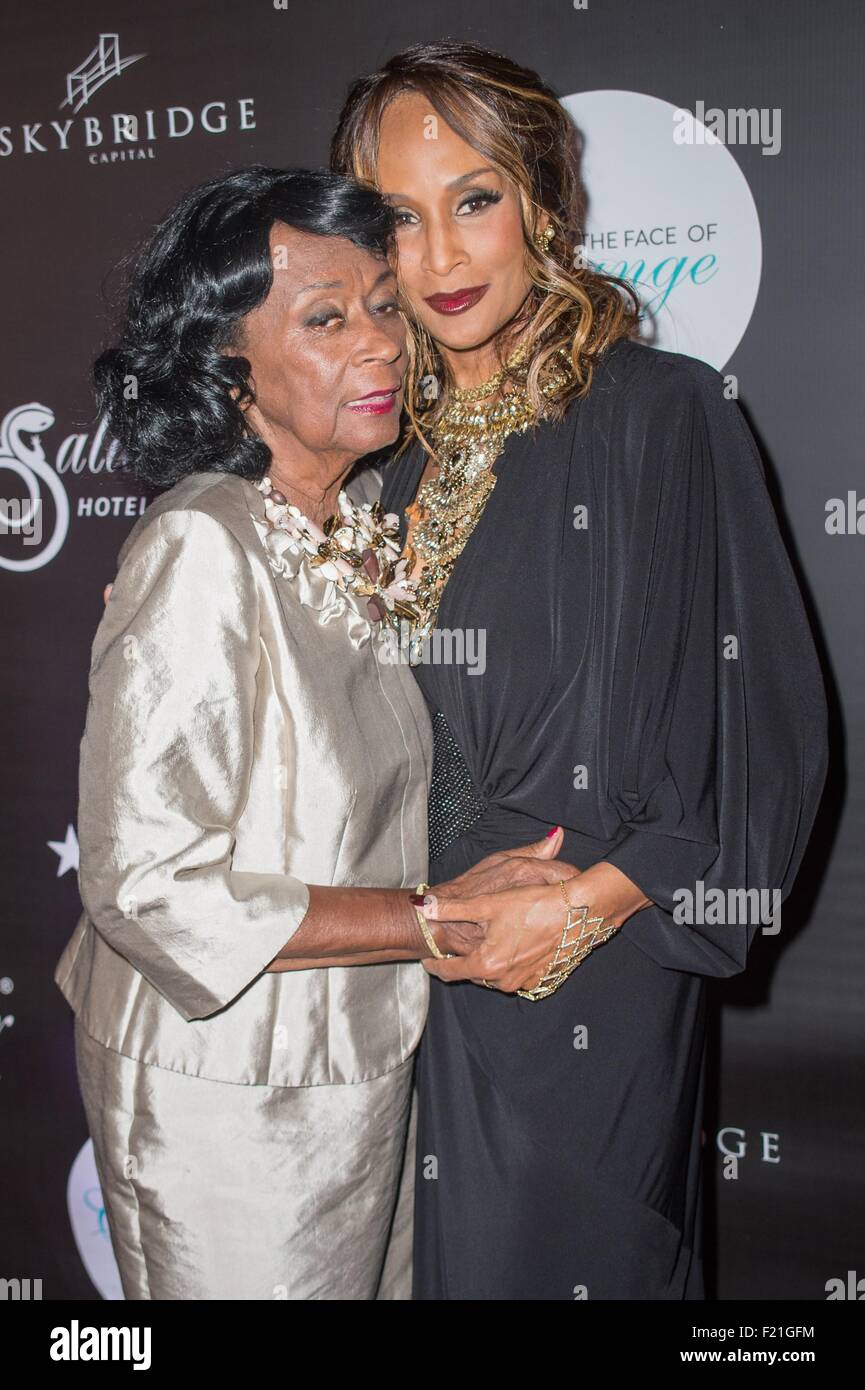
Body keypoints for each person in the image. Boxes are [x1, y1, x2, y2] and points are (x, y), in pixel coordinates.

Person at [330, 41, 830, 1299]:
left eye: (475, 200)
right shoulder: (368, 462)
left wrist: (587, 902)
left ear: (543, 204)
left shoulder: (661, 416)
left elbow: (764, 728)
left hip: (575, 995)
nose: (438, 259)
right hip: (384, 993)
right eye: (399, 216)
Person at [54, 164, 575, 1300]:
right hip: (232, 1102)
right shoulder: (202, 548)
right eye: (326, 318)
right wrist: (431, 919)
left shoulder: (348, 528)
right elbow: (146, 890)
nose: (383, 345)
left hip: (360, 1064)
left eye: (383, 306)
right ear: (227, 367)